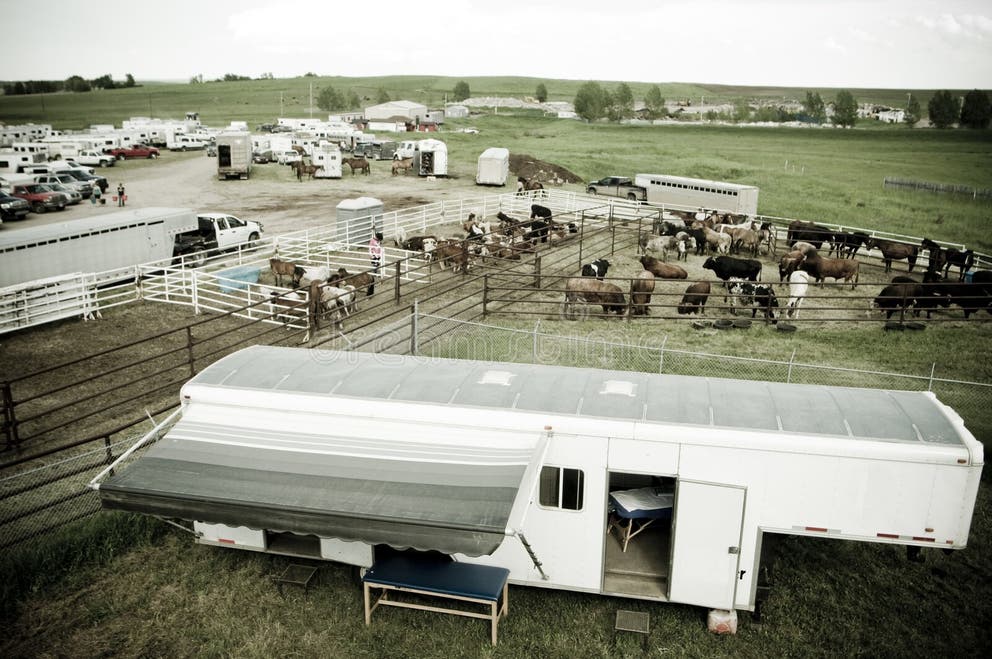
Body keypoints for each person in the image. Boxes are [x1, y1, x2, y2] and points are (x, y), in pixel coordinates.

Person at [368, 231, 383, 296]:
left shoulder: (377, 241)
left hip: (378, 254)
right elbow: (371, 249)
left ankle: (375, 273)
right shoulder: (373, 241)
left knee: (377, 264)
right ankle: (375, 274)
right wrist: (372, 255)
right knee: (375, 264)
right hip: (374, 255)